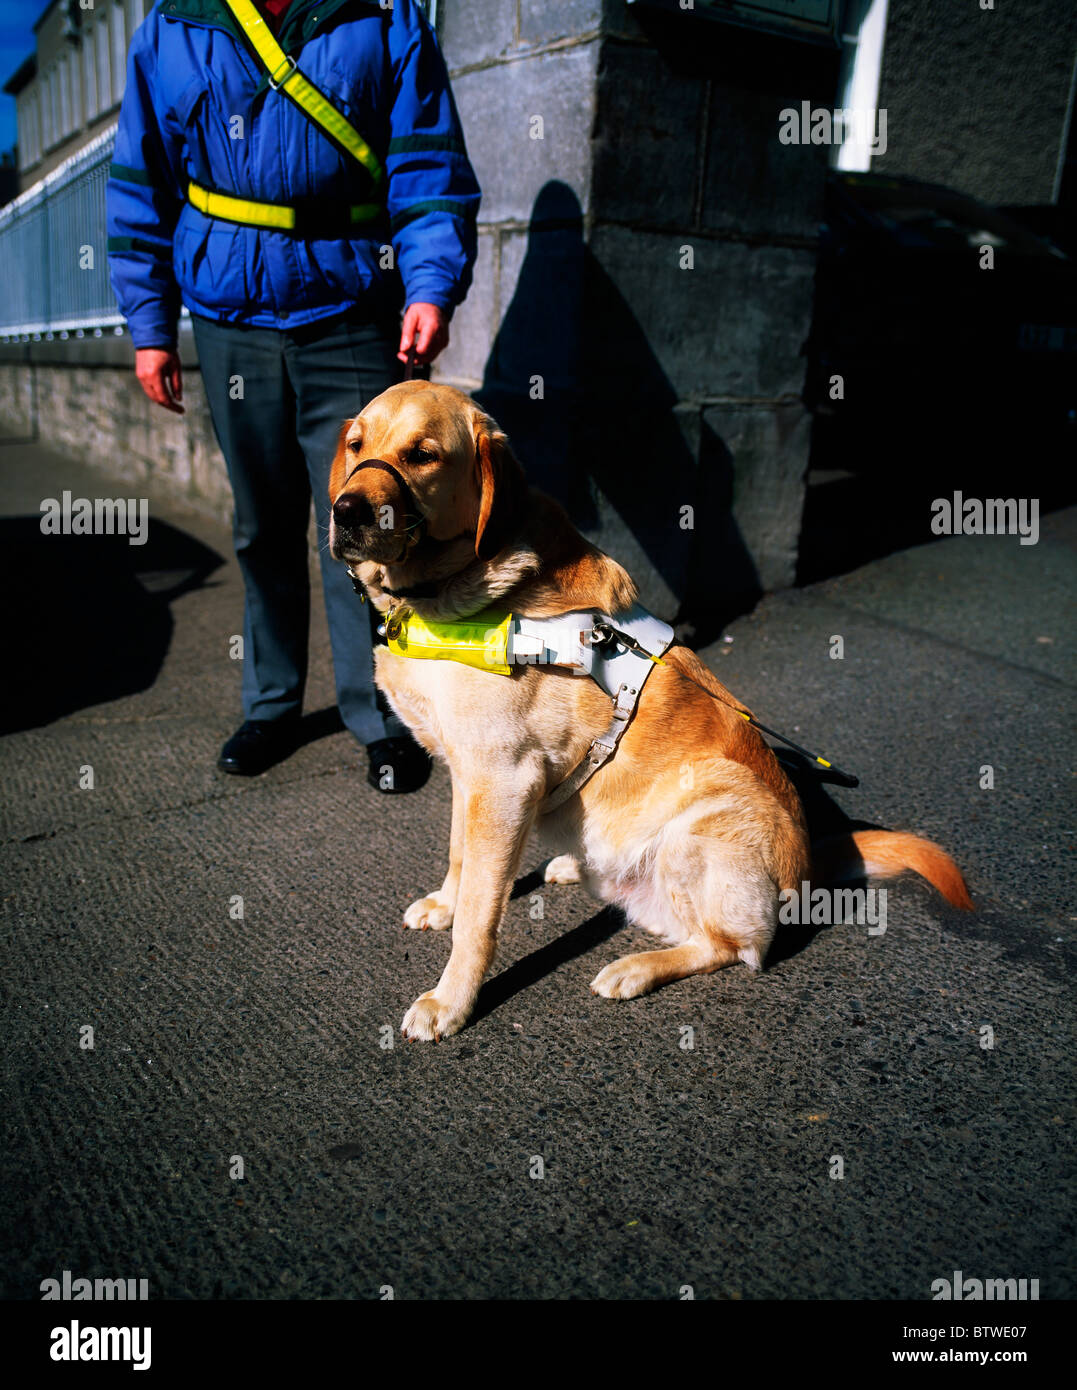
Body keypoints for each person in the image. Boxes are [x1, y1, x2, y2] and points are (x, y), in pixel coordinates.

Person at [106, 0, 480, 790]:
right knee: (261, 523)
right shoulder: (174, 27)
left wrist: (429, 285)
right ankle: (270, 705)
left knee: (364, 522)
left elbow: (426, 164)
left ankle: (382, 714)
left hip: (349, 306)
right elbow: (140, 177)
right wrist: (149, 323)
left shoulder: (383, 17)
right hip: (225, 313)